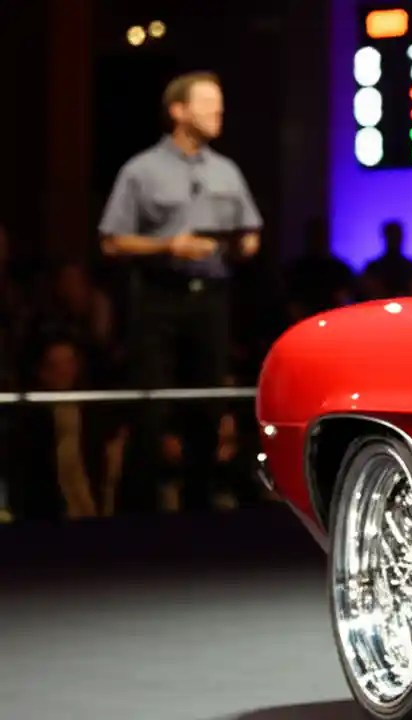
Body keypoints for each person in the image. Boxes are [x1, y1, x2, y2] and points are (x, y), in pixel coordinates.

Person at [98, 70, 262, 513]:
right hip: (158, 295)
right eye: (208, 103)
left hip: (211, 297)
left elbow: (251, 231)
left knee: (208, 405)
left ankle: (201, 508)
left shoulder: (226, 170)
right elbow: (112, 240)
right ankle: (140, 513)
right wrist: (169, 245)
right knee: (151, 408)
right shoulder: (141, 170)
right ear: (179, 111)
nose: (218, 111)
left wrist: (245, 244)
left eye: (220, 103)